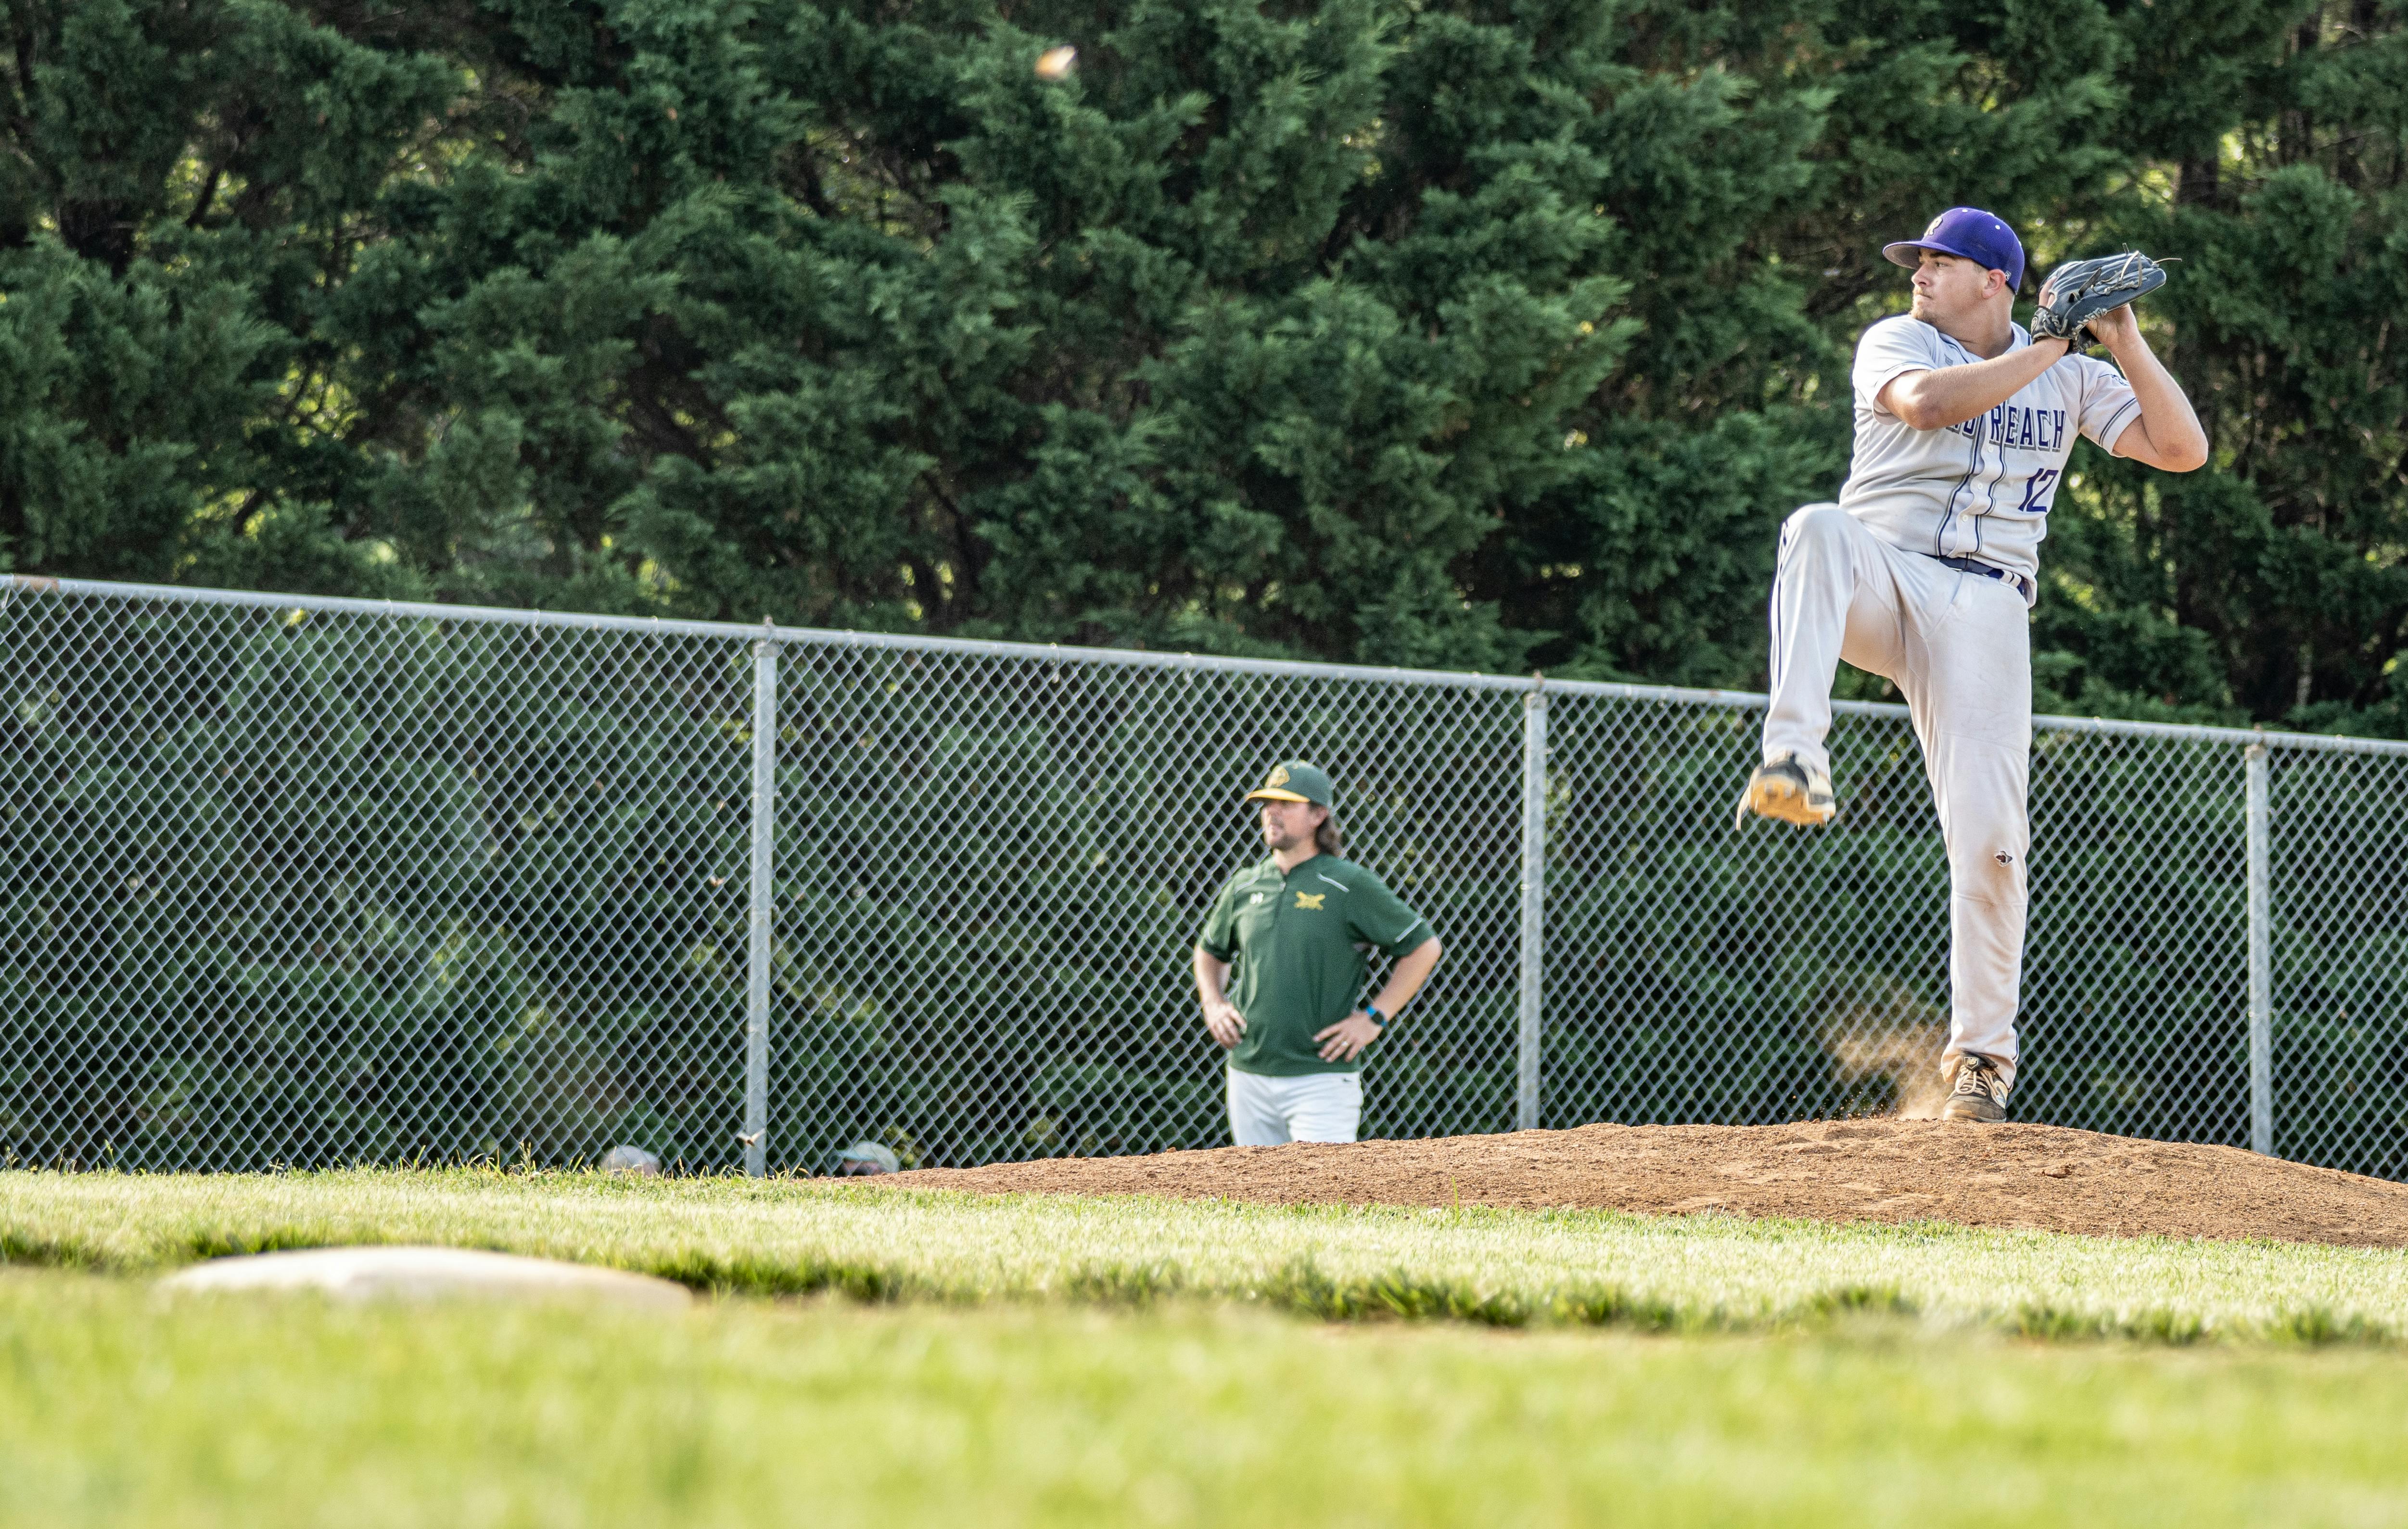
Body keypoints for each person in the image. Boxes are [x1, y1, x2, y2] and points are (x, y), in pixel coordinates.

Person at [1735, 208, 2208, 1123]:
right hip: (1881, 574)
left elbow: (2182, 449)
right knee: (1814, 527)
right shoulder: (1898, 340)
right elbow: (1927, 405)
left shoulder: (2072, 374)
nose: (1919, 273)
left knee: (1994, 841)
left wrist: (2121, 339)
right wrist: (2052, 342)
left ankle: (1982, 1062)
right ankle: (1794, 754)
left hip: (1986, 605)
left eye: (1940, 261)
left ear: (1995, 280)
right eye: (1917, 261)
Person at [1192, 761, 1443, 1145]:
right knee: (1254, 1184)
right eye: (1267, 803)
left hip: (1321, 1078)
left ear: (1318, 815)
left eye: (1286, 803)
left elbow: (1424, 946)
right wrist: (1213, 1002)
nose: (1271, 812)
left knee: (1322, 1183)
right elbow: (1209, 951)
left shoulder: (1347, 883)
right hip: (1247, 1072)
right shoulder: (1245, 884)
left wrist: (1374, 1017)